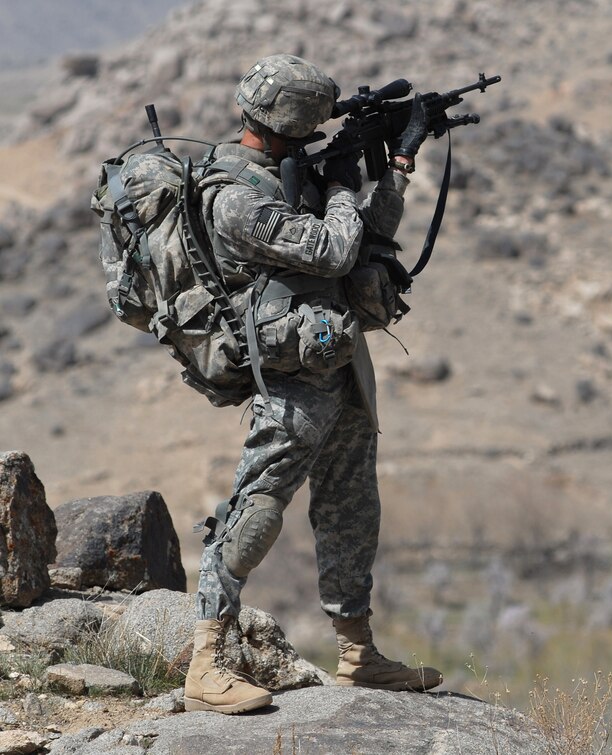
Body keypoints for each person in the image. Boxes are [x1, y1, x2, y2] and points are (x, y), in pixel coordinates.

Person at [182, 53, 442, 715]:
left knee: (352, 507)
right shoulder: (236, 195)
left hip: (340, 360)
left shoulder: (295, 171)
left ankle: (358, 653)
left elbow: (369, 237)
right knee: (258, 508)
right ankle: (206, 661)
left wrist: (400, 160)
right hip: (291, 376)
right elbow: (332, 248)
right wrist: (341, 180)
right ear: (290, 127)